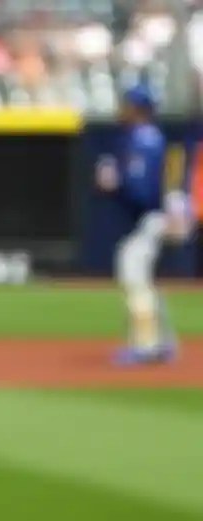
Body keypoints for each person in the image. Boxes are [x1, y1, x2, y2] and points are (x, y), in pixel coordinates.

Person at [96, 84, 180, 365]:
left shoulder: (143, 140)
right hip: (150, 217)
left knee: (134, 276)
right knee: (142, 279)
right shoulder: (143, 137)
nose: (123, 109)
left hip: (147, 219)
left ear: (138, 108)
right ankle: (163, 339)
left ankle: (147, 344)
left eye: (128, 104)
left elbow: (140, 189)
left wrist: (115, 184)